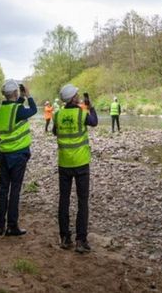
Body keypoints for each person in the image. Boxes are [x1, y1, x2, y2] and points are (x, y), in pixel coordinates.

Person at [52, 84, 98, 253]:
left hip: (64, 162)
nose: (78, 96)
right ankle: (80, 240)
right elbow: (94, 122)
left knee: (64, 200)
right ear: (73, 98)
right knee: (82, 201)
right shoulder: (81, 113)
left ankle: (64, 238)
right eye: (77, 95)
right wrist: (90, 107)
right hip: (81, 162)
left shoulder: (58, 114)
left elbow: (55, 132)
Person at [0, 79, 37, 237]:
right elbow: (33, 110)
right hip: (18, 156)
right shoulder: (18, 110)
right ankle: (12, 225)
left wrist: (21, 97)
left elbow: (13, 108)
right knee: (15, 190)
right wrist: (28, 96)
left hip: (3, 154)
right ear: (16, 93)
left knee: (3, 190)